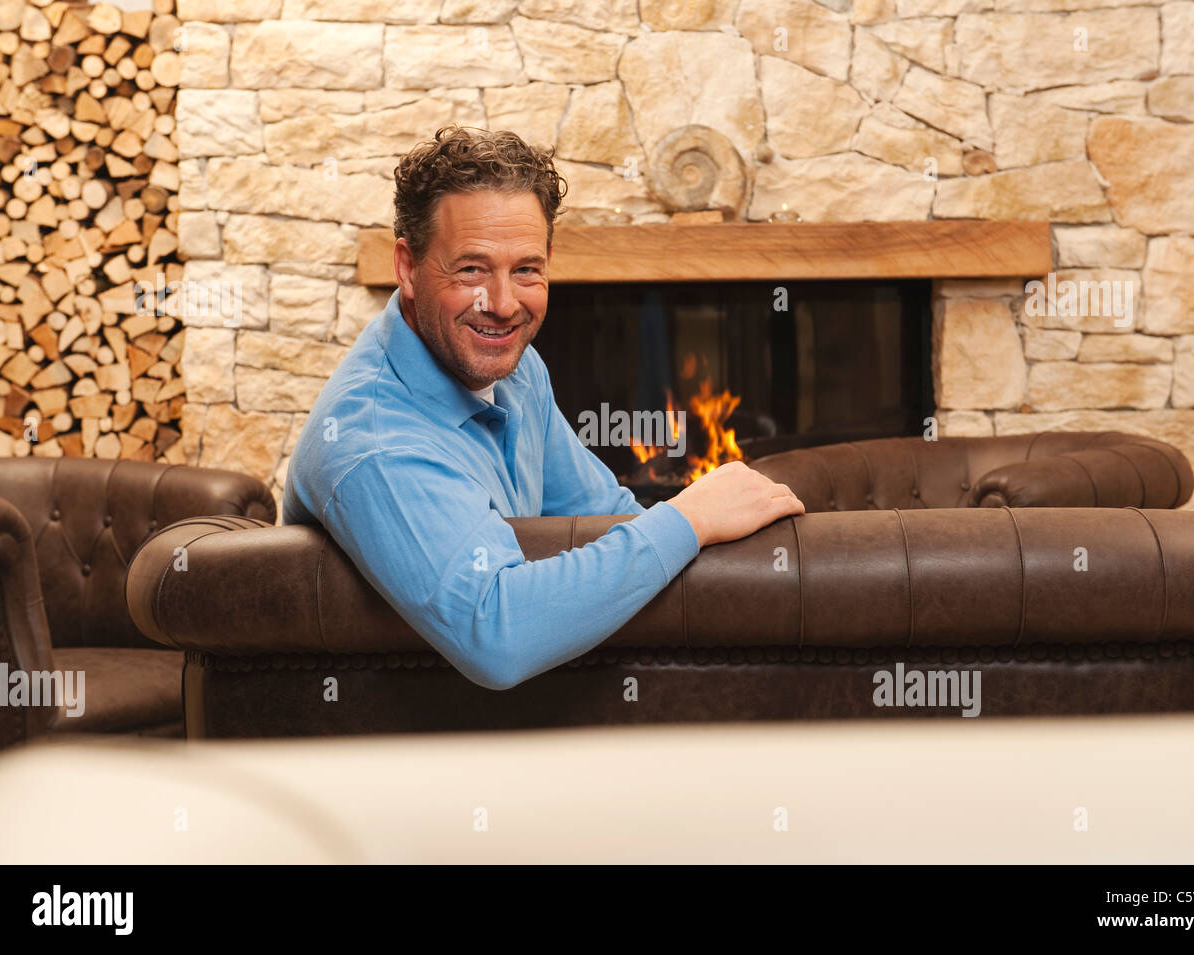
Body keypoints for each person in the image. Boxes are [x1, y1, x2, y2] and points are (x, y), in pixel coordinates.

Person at [283, 125, 804, 690]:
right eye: (471, 269)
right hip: (408, 754)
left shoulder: (517, 372)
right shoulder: (374, 443)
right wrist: (689, 518)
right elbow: (499, 635)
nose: (504, 305)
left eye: (526, 269)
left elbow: (604, 515)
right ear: (407, 268)